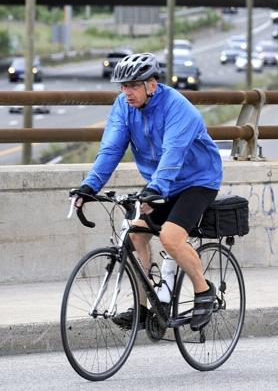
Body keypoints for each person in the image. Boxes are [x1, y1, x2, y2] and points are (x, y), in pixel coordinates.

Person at [70, 53, 223, 330]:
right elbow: (111, 149)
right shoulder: (123, 106)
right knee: (135, 234)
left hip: (197, 181)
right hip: (160, 183)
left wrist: (155, 189)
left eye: (133, 85)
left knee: (170, 237)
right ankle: (143, 306)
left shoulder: (178, 108)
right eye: (123, 86)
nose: (126, 92)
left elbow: (172, 153)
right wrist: (90, 186)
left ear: (151, 85)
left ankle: (203, 291)